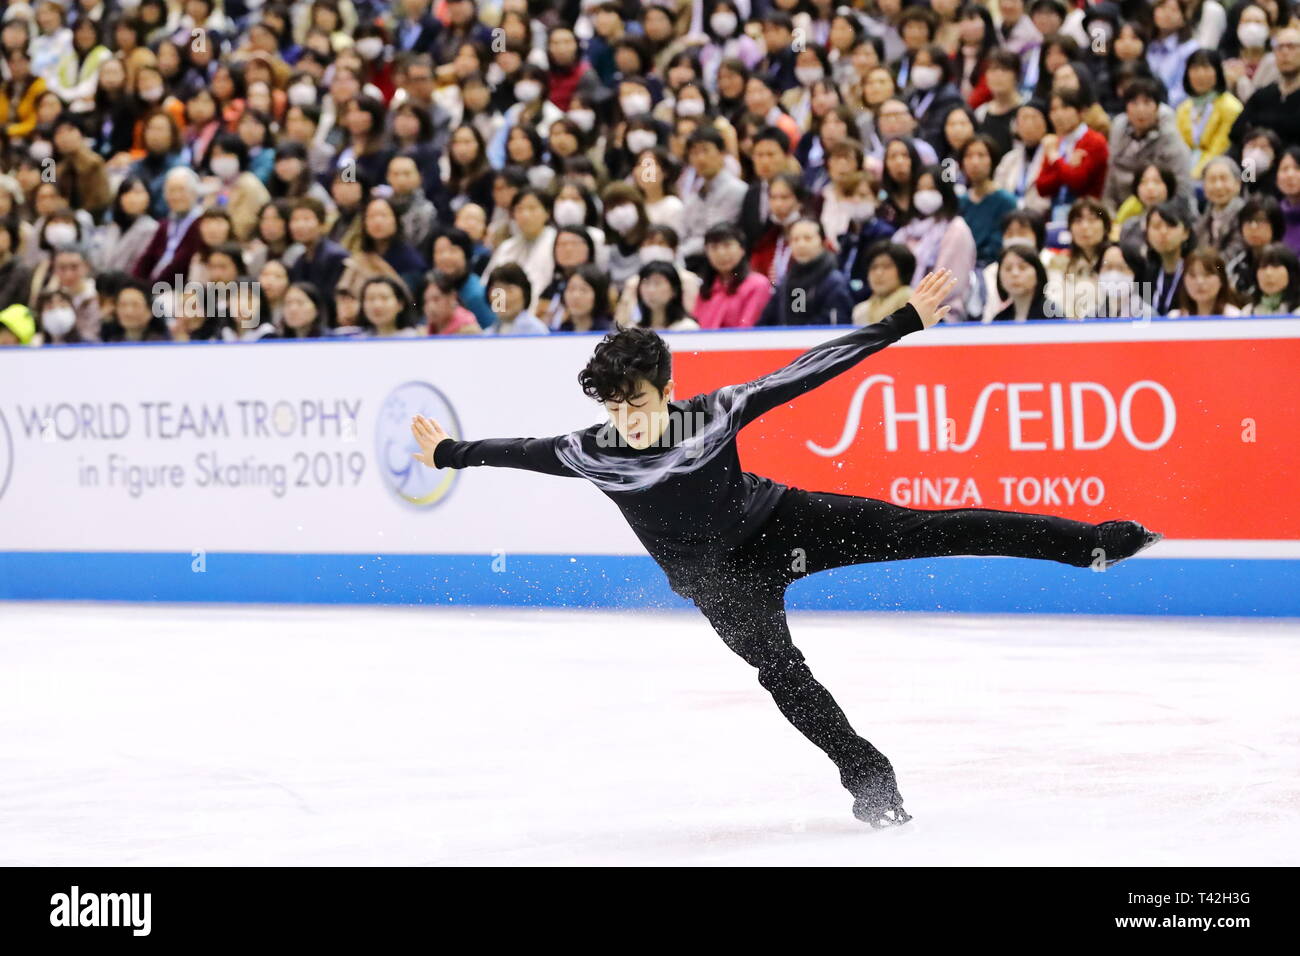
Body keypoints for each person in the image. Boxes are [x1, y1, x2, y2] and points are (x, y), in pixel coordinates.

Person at [407, 267, 1162, 827]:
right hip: (715, 580)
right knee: (783, 672)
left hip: (780, 524)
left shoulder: (712, 413)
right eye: (610, 404)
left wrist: (898, 322)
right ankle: (869, 778)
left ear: (665, 389)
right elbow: (512, 449)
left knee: (928, 526)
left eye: (634, 401)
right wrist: (449, 454)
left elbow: (805, 372)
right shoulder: (590, 449)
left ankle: (1090, 545)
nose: (624, 418)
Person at [757, 218, 856, 326]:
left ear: (823, 242)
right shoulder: (787, 281)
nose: (801, 244)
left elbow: (836, 322)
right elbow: (767, 319)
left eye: (807, 238)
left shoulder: (834, 282)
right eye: (795, 239)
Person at [693, 224, 773, 330]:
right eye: (714, 247)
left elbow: (747, 328)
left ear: (742, 249)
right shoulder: (706, 288)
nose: (721, 253)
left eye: (727, 245)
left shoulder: (758, 284)